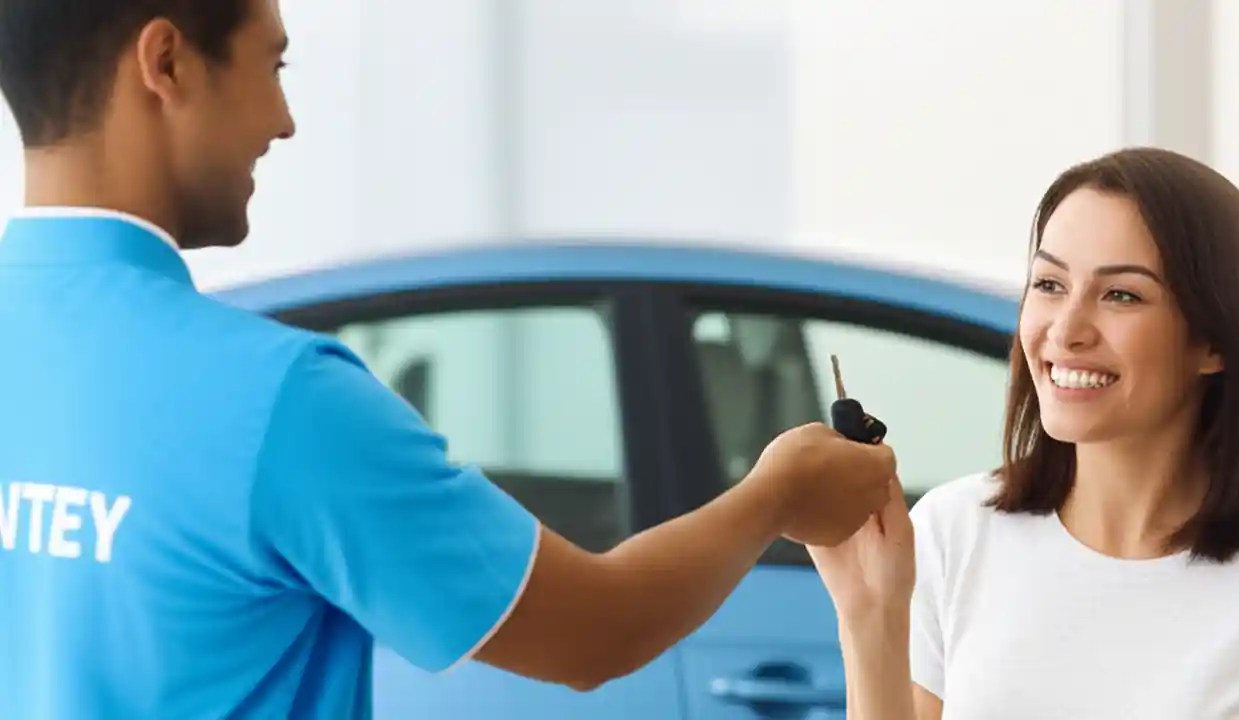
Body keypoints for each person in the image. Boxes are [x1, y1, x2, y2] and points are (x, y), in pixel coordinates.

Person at [0, 1, 898, 718]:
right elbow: (592, 633)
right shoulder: (277, 401)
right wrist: (777, 494)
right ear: (166, 64)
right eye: (273, 65)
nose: (284, 121)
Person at [809, 146, 1239, 719]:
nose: (1067, 329)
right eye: (1050, 285)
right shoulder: (954, 532)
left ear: (1215, 343)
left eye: (1121, 295)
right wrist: (868, 611)